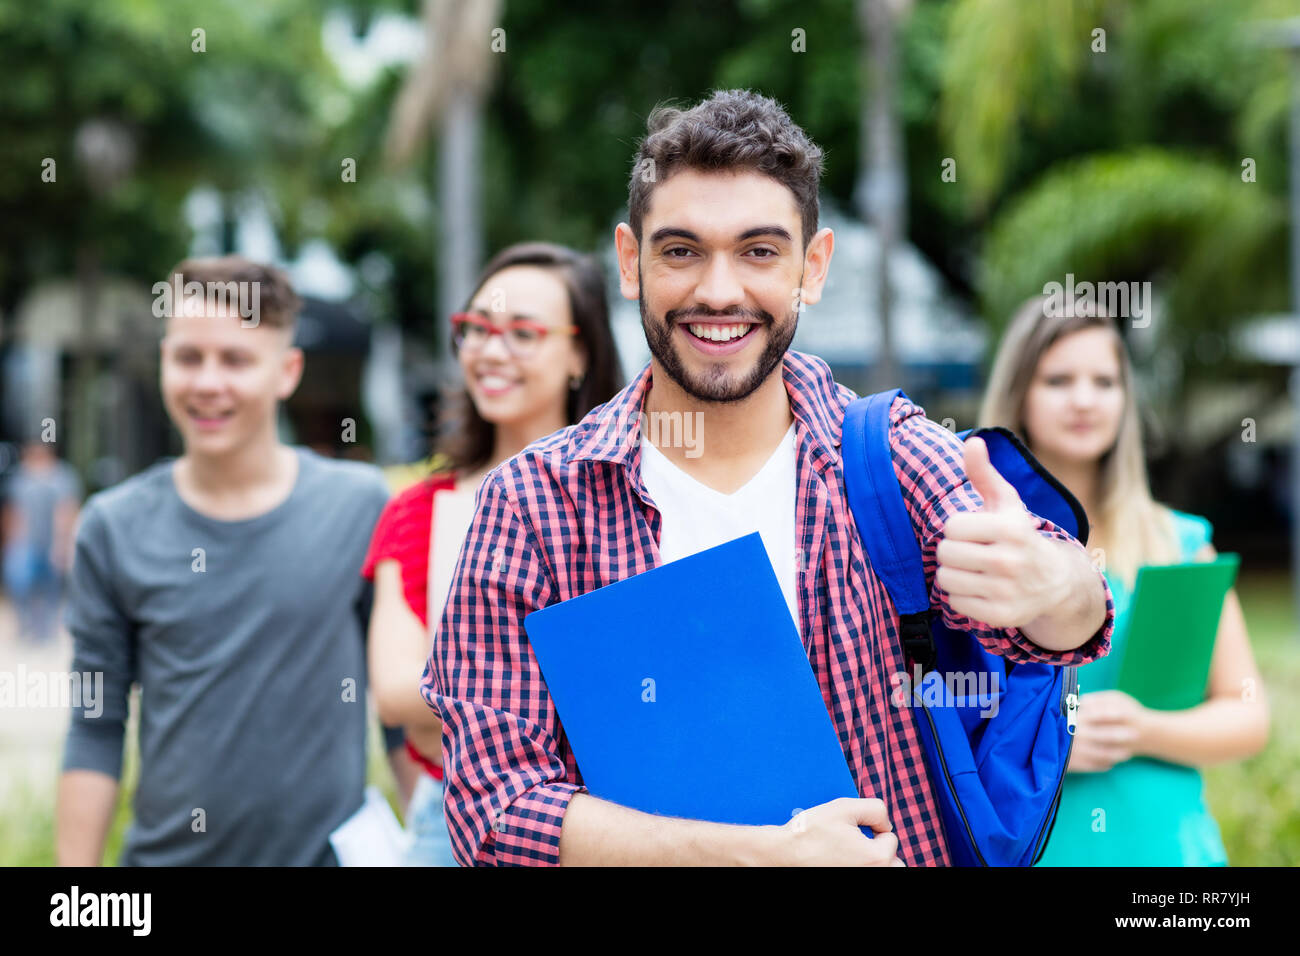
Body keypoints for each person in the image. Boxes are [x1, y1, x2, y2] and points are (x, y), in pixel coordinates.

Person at [424, 89, 1116, 867]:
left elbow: (1071, 620)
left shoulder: (885, 457)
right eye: (681, 251)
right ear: (630, 262)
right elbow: (493, 810)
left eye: (759, 252)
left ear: (811, 269)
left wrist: (1056, 588)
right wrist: (757, 853)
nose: (719, 292)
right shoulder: (532, 503)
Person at [56, 255, 403, 865]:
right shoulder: (112, 528)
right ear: (164, 360)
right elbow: (95, 723)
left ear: (287, 371)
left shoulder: (361, 508)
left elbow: (399, 714)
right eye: (189, 356)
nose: (208, 382)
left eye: (236, 359)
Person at [980, 295, 1270, 866]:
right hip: (1031, 850)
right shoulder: (975, 547)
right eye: (1059, 380)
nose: (1085, 400)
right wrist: (1045, 747)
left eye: (1105, 382)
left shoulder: (1180, 544)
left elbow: (1248, 714)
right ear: (1020, 394)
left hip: (1168, 858)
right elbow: (926, 718)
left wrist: (1142, 729)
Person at [363, 242, 623, 866]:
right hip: (452, 830)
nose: (490, 350)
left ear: (580, 352)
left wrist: (475, 690)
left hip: (615, 826)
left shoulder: (633, 493)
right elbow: (396, 693)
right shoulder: (418, 509)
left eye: (523, 333)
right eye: (475, 329)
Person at [2, 441, 82, 644]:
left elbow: (67, 509)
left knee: (50, 586)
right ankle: (27, 625)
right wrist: (11, 540)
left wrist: (64, 542)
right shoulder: (21, 478)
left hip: (51, 542)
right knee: (21, 583)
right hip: (26, 542)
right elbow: (13, 511)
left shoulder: (62, 477)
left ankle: (46, 631)